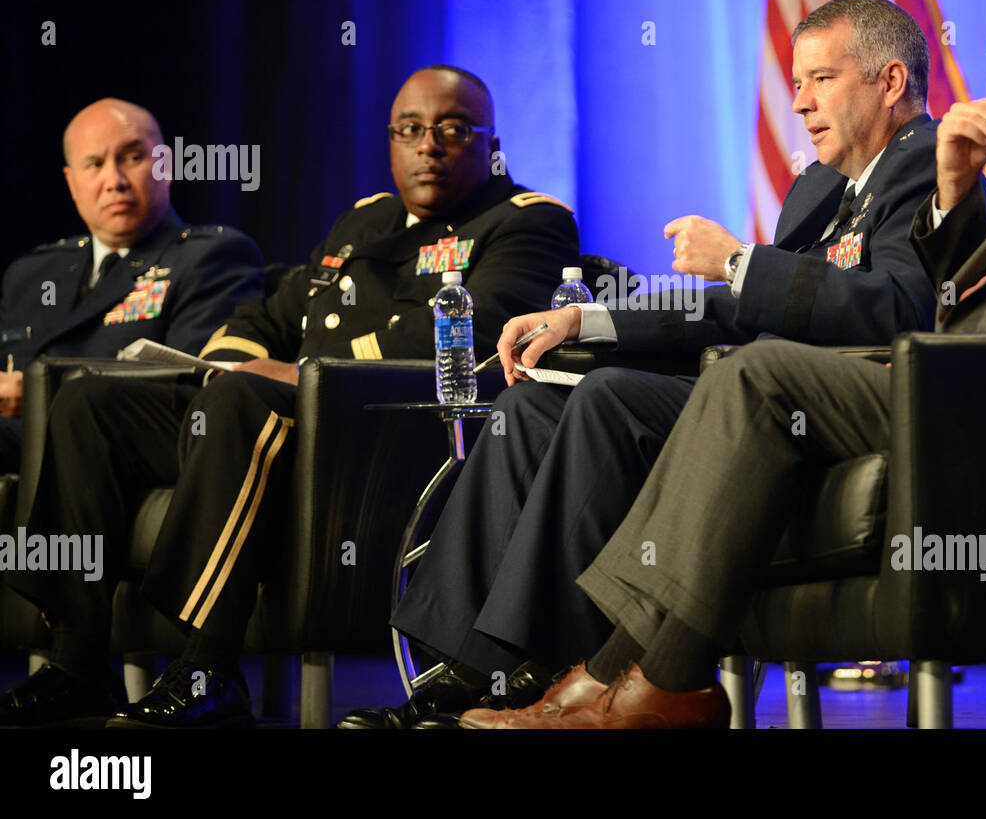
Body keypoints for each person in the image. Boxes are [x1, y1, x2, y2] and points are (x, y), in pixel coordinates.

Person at [459, 0, 986, 729]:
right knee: (736, 377)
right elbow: (975, 302)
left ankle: (650, 682)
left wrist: (914, 352)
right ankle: (622, 678)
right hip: (954, 386)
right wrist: (954, 194)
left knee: (757, 378)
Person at [341, 0, 986, 729]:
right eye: (797, 80)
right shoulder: (819, 188)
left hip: (806, 412)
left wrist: (742, 263)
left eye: (821, 79)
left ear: (890, 82)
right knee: (527, 406)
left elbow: (900, 307)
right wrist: (586, 318)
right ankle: (463, 670)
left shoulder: (926, 165)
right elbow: (741, 308)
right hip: (754, 395)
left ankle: (528, 669)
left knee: (610, 400)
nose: (800, 102)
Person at [0, 65, 580, 728]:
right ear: (391, 140)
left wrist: (304, 374)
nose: (429, 145)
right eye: (411, 130)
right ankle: (76, 663)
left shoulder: (527, 222)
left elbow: (472, 326)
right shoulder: (362, 223)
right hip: (273, 414)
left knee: (242, 403)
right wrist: (228, 364)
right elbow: (266, 317)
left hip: (378, 433)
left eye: (451, 129)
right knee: (88, 405)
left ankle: (208, 669)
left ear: (490, 142)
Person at [0, 98, 264, 472]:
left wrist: (38, 397)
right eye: (94, 164)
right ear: (71, 183)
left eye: (132, 158)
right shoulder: (31, 273)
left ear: (166, 166)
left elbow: (190, 396)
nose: (114, 182)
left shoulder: (211, 256)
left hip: (111, 449)